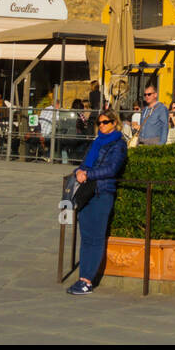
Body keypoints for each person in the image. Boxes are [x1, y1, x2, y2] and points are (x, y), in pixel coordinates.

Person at [66, 110, 127, 295]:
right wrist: (79, 171)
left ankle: (87, 280)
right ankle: (82, 277)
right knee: (86, 237)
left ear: (114, 123)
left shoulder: (119, 144)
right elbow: (86, 163)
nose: (102, 125)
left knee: (96, 237)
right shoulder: (96, 142)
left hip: (102, 192)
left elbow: (112, 168)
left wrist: (88, 174)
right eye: (99, 123)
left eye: (106, 122)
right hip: (86, 193)